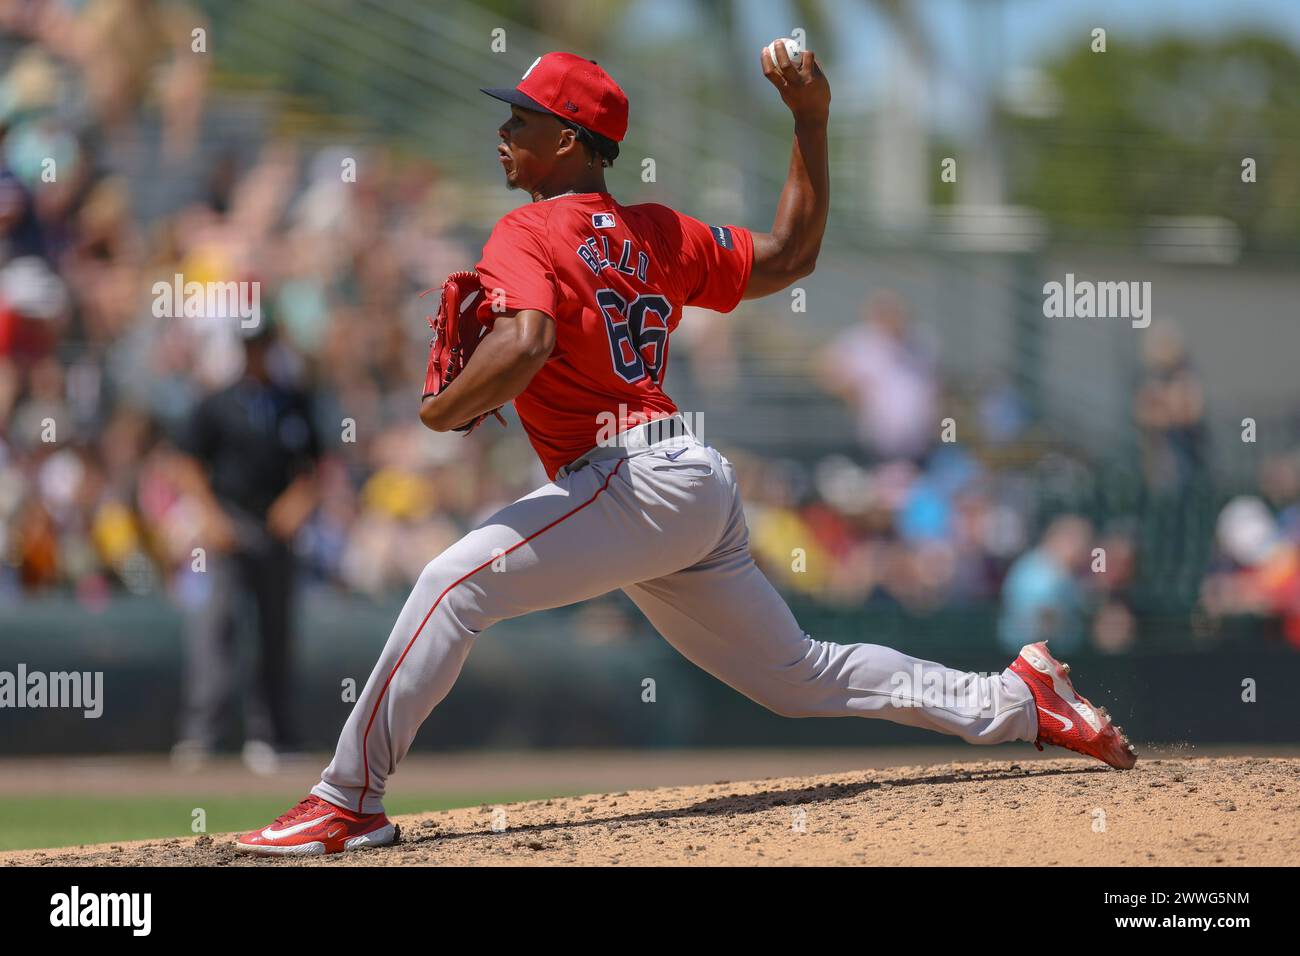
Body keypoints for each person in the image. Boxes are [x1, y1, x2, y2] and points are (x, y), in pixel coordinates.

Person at [237, 47, 1135, 856]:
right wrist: (810, 121)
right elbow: (791, 256)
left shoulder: (527, 231)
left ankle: (348, 799)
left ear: (571, 139)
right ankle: (1021, 699)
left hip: (632, 476)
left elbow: (525, 344)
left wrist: (436, 414)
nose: (502, 131)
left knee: (449, 585)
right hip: (682, 483)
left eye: (521, 118)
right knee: (797, 676)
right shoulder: (656, 233)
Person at [171, 318, 321, 774]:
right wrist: (211, 517)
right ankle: (201, 736)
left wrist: (298, 503)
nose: (258, 353)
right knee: (217, 628)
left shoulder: (294, 401)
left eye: (263, 345)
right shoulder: (218, 403)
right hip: (231, 523)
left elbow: (314, 466)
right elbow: (187, 462)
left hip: (278, 529)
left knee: (277, 632)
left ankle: (273, 736)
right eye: (251, 346)